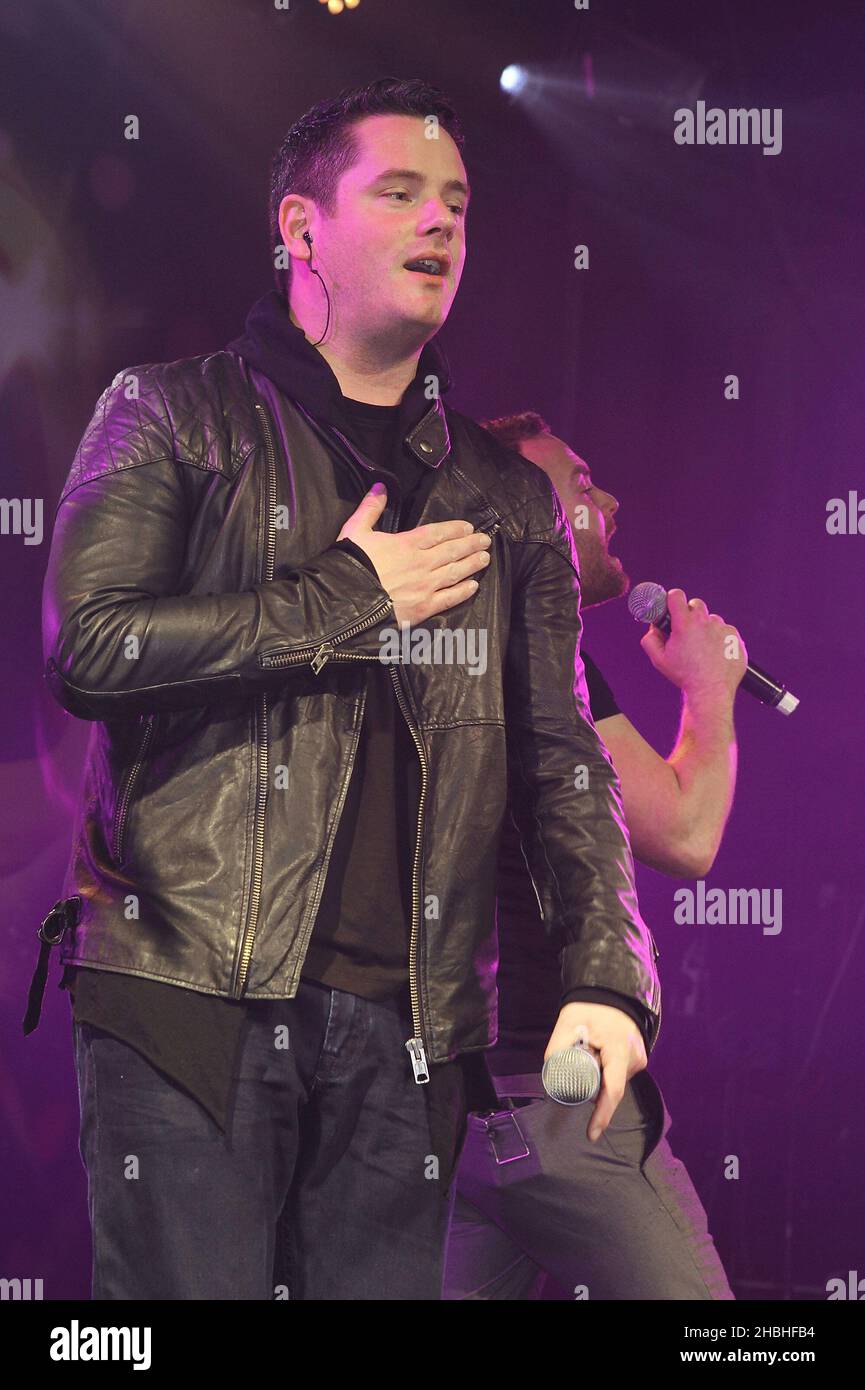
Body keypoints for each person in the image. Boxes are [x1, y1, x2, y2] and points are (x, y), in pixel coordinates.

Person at [31, 79, 660, 1301]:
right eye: (401, 192)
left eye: (457, 203)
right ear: (301, 229)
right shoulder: (170, 412)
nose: (440, 223)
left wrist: (605, 974)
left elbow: (561, 758)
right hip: (187, 988)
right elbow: (89, 647)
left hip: (408, 1031)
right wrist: (345, 598)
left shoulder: (504, 496)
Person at [444, 411, 745, 1300]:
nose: (607, 499)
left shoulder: (437, 645)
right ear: (513, 509)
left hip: (438, 1106)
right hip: (557, 1096)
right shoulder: (539, 661)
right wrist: (708, 690)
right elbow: (684, 834)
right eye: (578, 483)